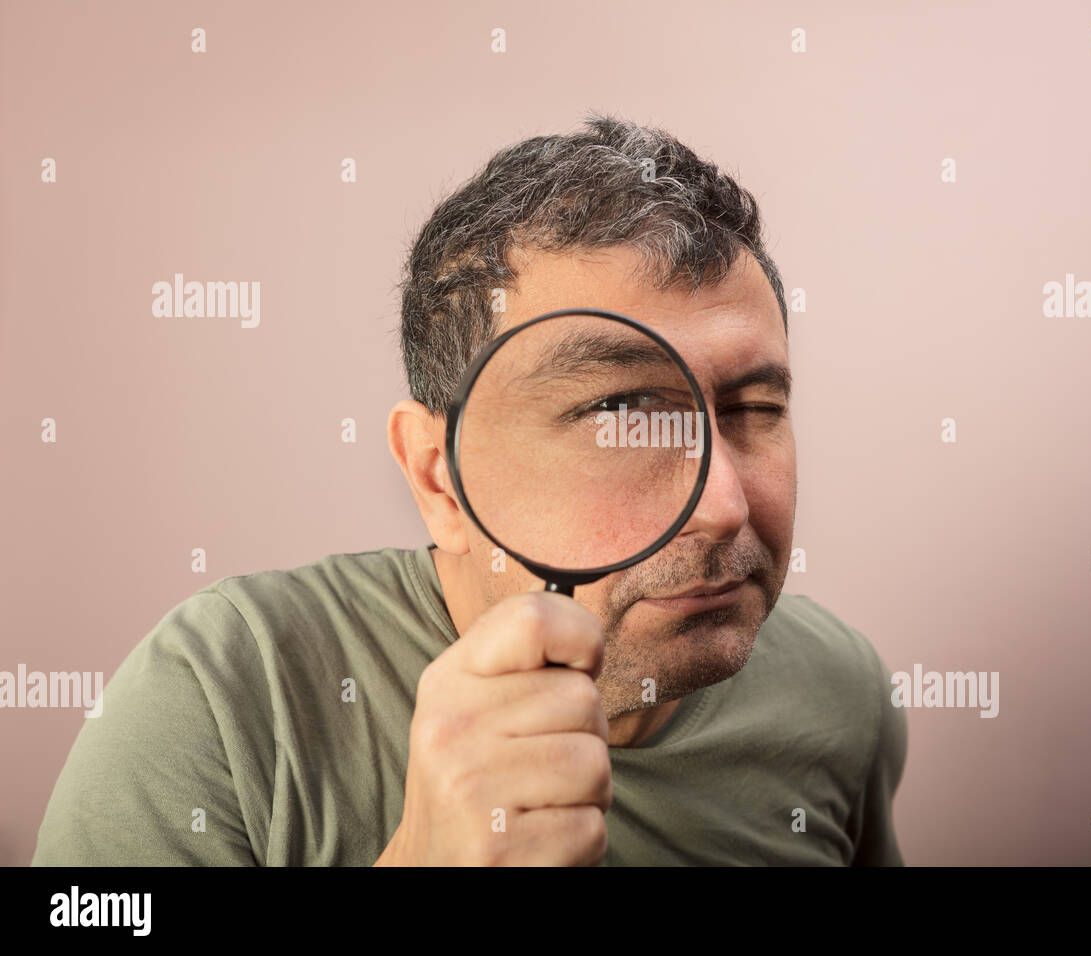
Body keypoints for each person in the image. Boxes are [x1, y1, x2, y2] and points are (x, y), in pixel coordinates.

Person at [32, 112, 906, 866]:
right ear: (437, 478)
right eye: (623, 415)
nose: (724, 507)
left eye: (755, 408)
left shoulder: (840, 691)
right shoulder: (221, 696)